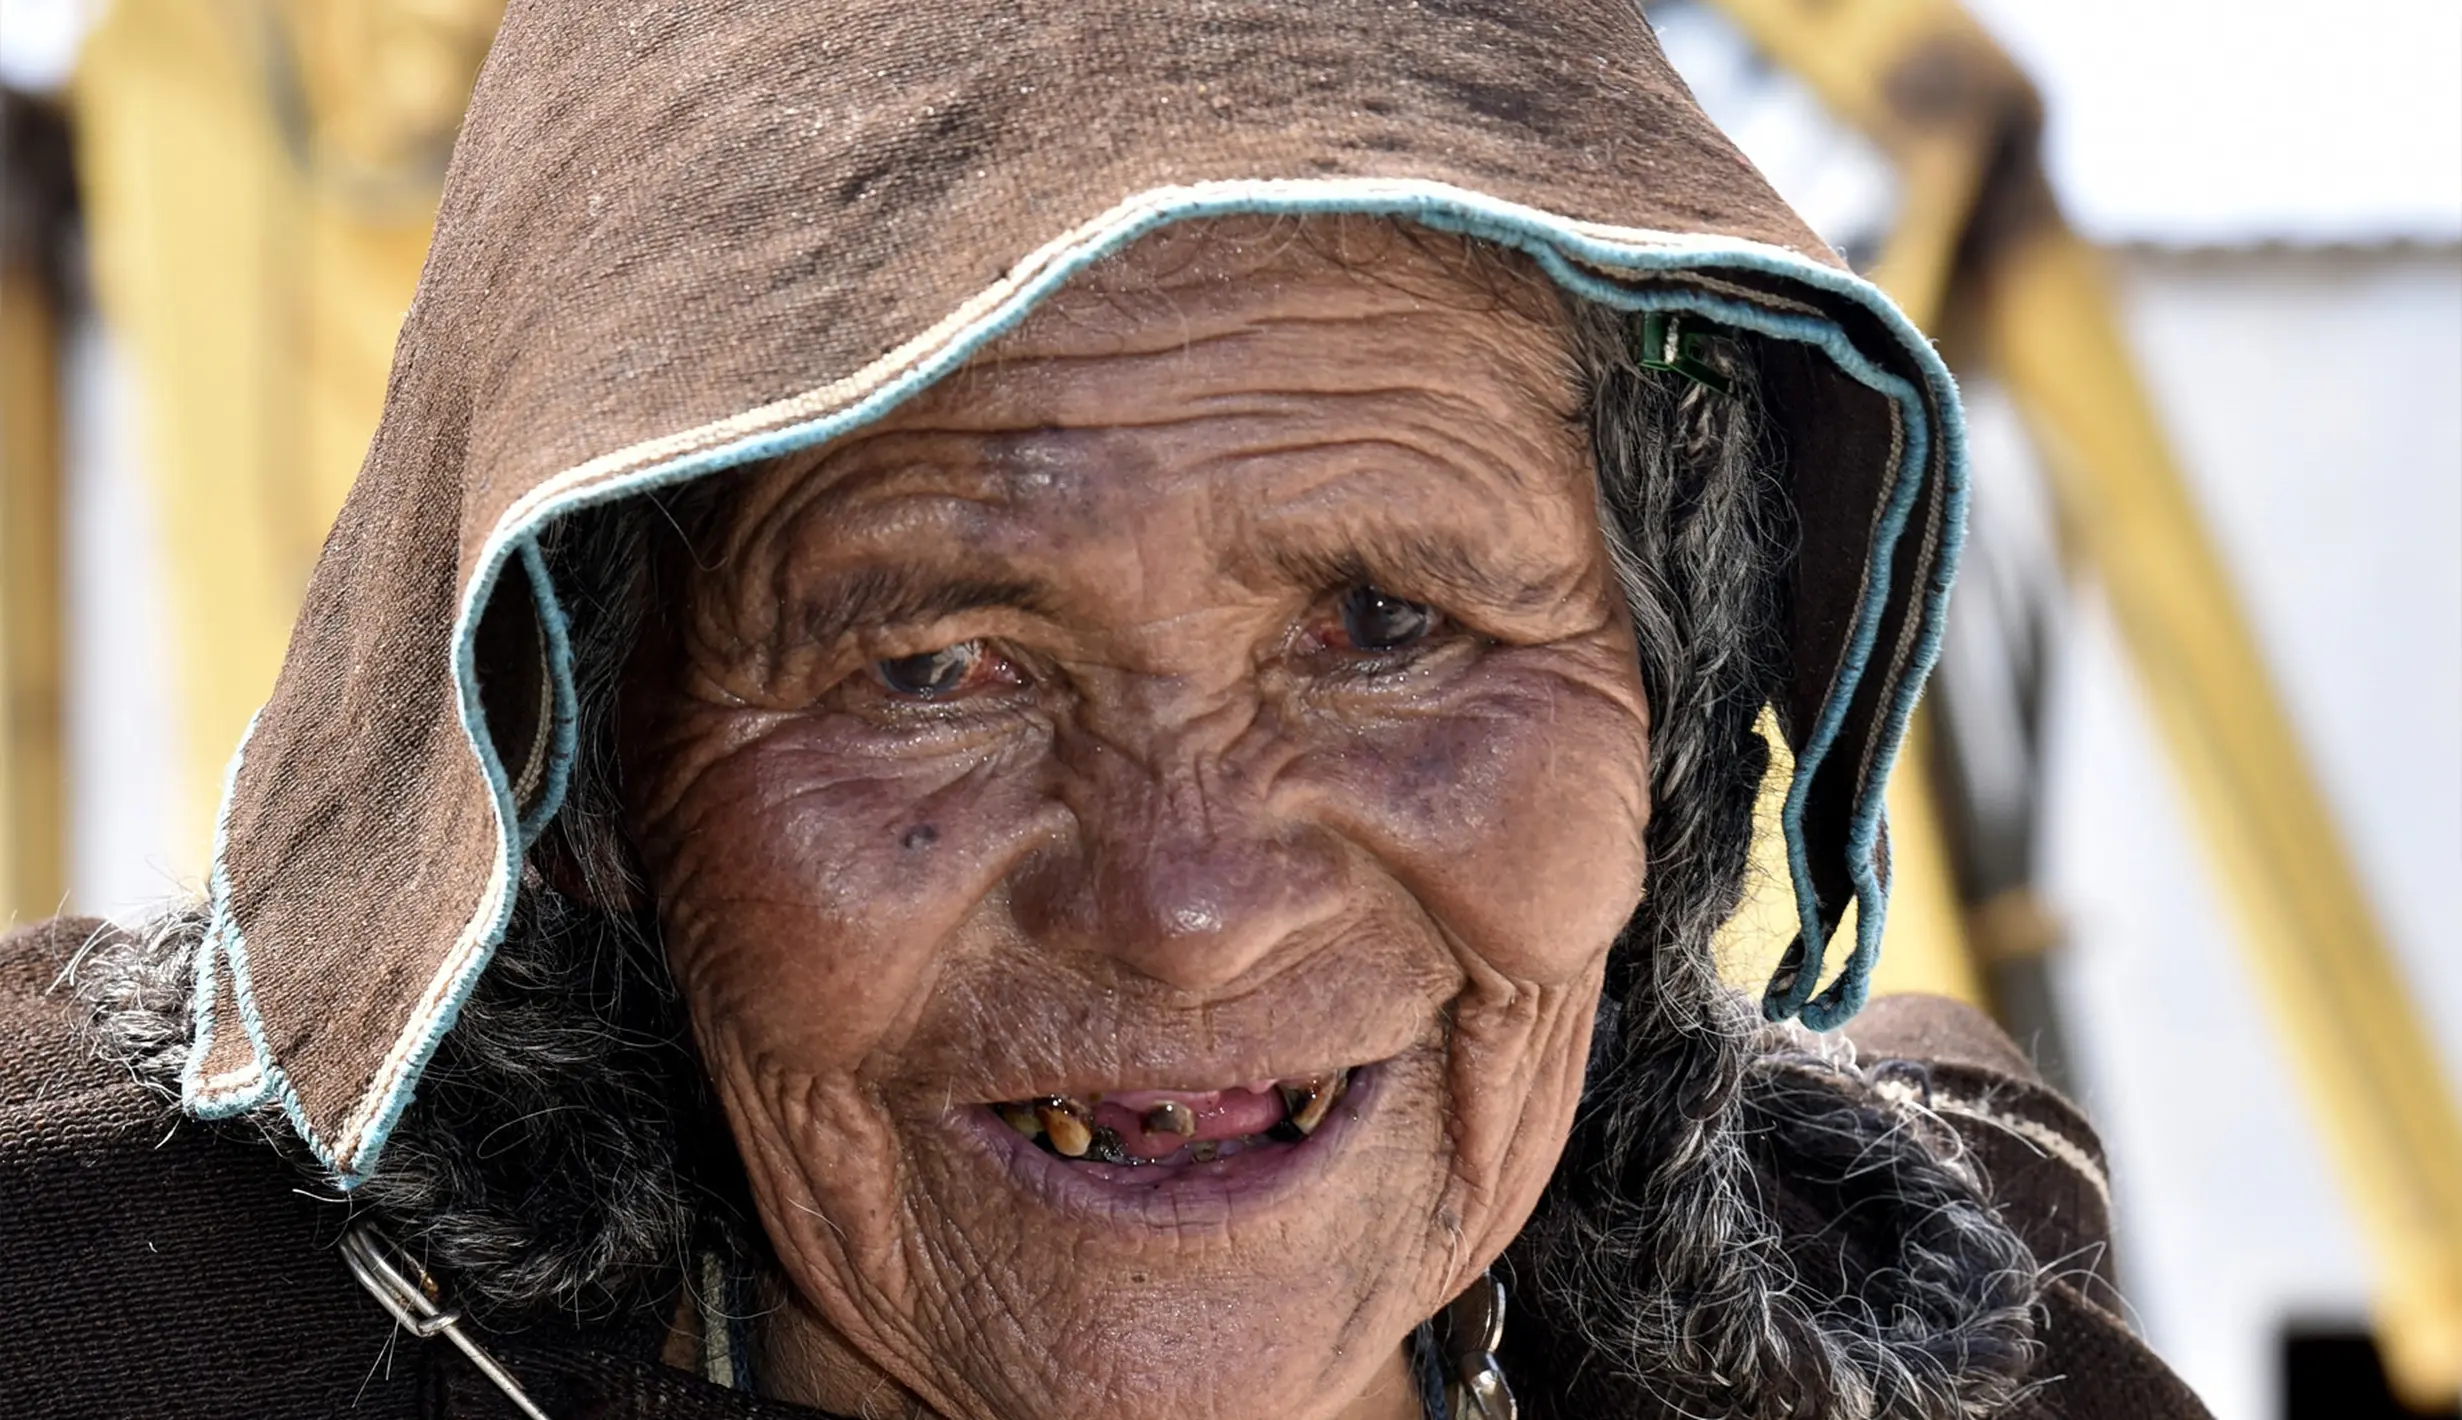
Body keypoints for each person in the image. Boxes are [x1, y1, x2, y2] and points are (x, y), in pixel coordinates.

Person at [1, 3, 2214, 1417]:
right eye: (935, 670)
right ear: (572, 773)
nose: (1183, 908)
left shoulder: (1950, 1358)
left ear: (1666, 704)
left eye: (1385, 622)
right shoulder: (111, 1324)